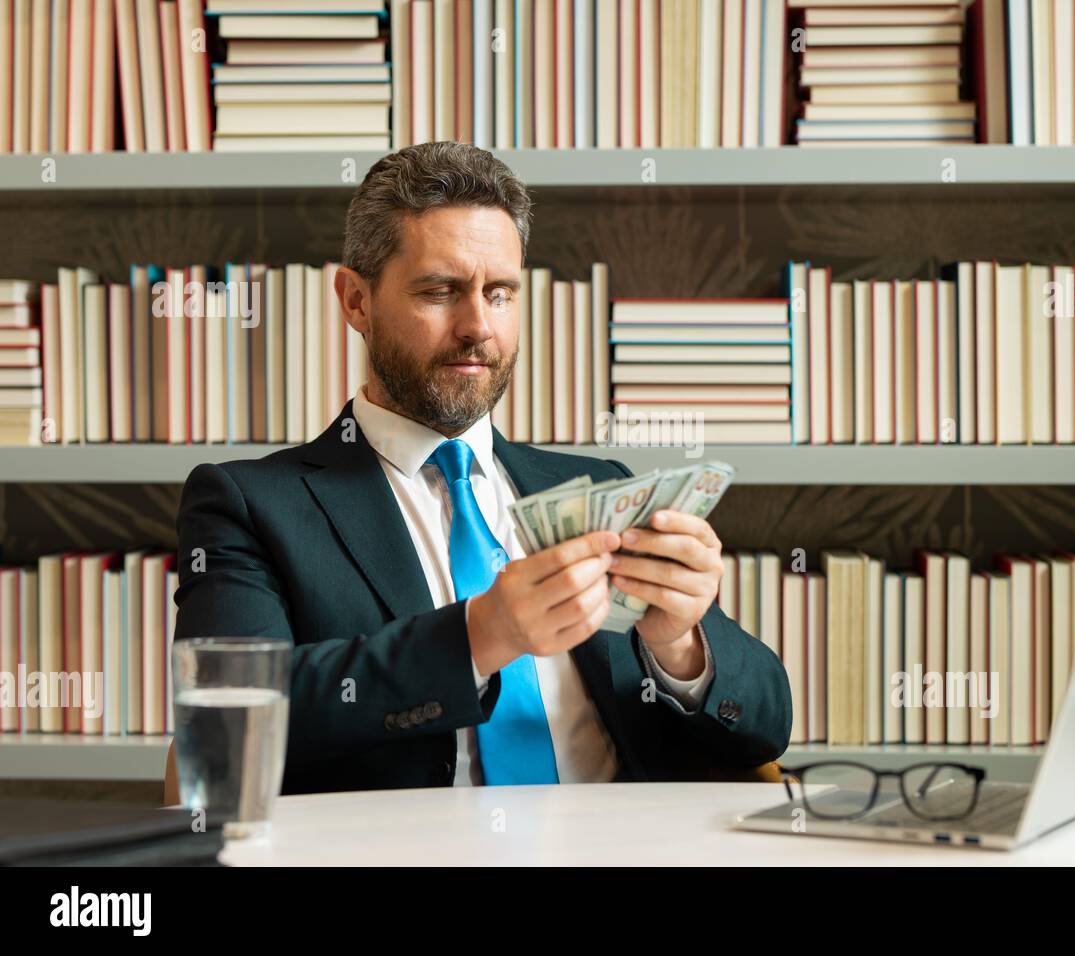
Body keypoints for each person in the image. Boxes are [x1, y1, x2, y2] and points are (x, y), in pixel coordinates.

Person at [174, 141, 792, 794]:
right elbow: (231, 721)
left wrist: (680, 649)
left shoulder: (600, 487)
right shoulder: (247, 504)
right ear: (355, 301)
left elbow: (766, 727)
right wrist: (478, 637)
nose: (478, 327)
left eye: (499, 293)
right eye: (440, 291)